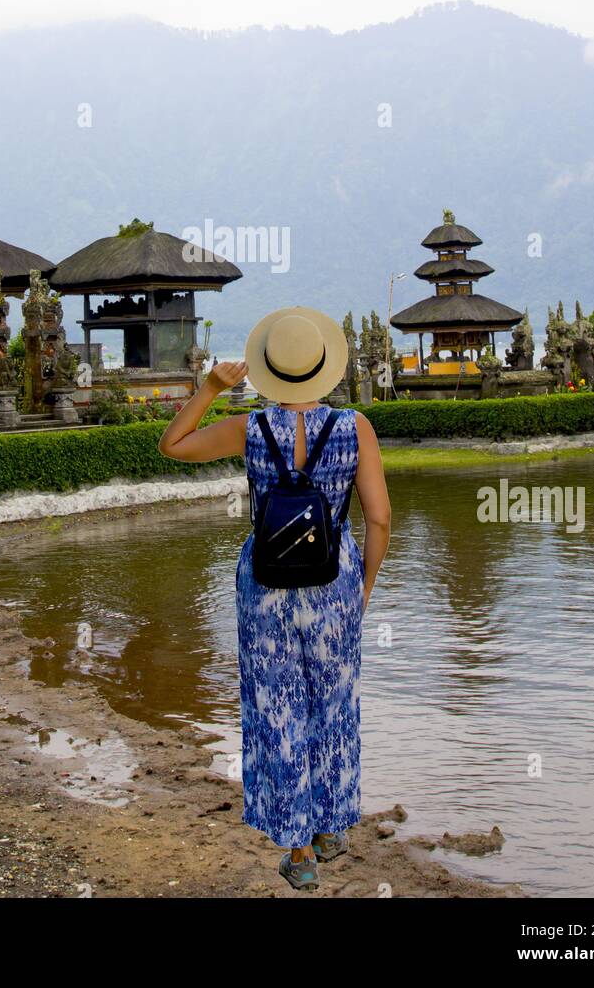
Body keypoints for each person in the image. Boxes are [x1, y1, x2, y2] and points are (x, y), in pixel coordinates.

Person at [159, 305, 391, 891]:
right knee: (333, 705)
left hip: (265, 585)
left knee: (277, 706)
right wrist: (362, 587)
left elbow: (173, 445)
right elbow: (380, 519)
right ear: (324, 365)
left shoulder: (250, 428)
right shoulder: (356, 428)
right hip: (334, 582)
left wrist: (211, 387)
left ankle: (300, 851)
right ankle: (331, 824)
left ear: (268, 368)